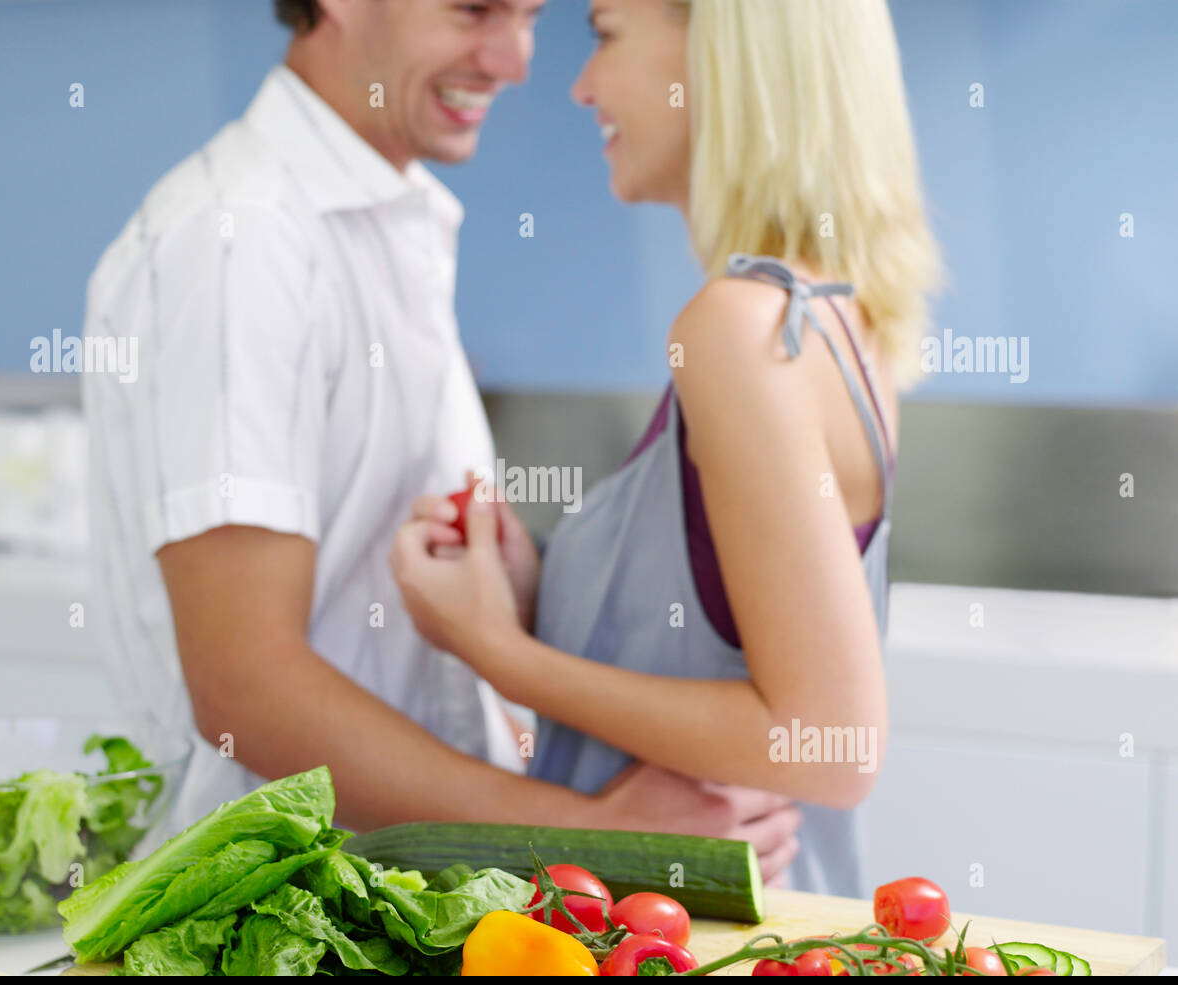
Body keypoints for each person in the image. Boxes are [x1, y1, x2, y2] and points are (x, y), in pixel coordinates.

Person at [81, 0, 803, 877]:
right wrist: (594, 837)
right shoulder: (242, 239)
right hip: (279, 914)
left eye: (531, 15)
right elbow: (247, 684)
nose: (516, 60)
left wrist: (515, 598)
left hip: (400, 898)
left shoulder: (391, 217)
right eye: (474, 11)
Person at [391, 0, 940, 897]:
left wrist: (499, 651)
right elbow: (727, 635)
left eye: (604, 35)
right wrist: (547, 594)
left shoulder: (738, 331)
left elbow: (830, 743)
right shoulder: (838, 316)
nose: (579, 84)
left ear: (722, 54)